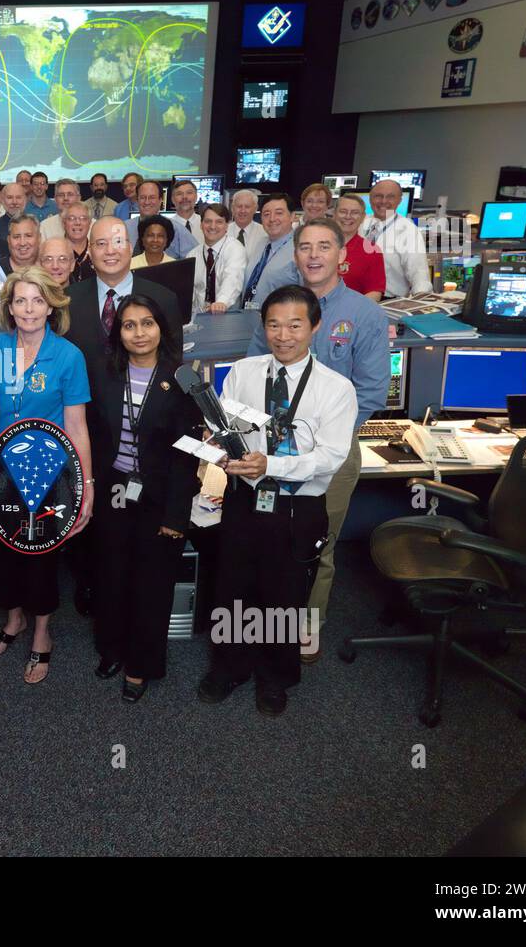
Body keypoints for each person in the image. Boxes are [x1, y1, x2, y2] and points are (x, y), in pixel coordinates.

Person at [197, 285, 356, 717]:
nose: (283, 335)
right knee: (232, 586)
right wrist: (217, 441)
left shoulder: (336, 389)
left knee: (283, 594)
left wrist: (270, 465)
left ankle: (274, 675)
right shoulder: (243, 372)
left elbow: (330, 458)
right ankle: (230, 666)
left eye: (294, 325)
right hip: (244, 499)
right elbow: (226, 425)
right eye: (273, 325)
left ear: (315, 327)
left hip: (297, 507)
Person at [246, 218, 389, 655]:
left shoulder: (364, 314)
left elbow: (371, 392)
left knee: (318, 544)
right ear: (295, 255)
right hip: (271, 453)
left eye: (324, 246)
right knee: (266, 537)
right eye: (304, 246)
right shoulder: (277, 306)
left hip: (333, 454)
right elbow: (255, 372)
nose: (313, 255)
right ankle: (263, 621)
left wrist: (322, 445)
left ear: (342, 256)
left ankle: (307, 624)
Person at [88, 293, 202, 702]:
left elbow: (189, 455)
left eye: (147, 323)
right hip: (114, 490)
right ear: (117, 332)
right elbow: (94, 437)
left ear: (161, 328)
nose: (139, 333)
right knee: (112, 576)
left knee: (151, 584)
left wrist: (176, 515)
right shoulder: (103, 374)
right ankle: (112, 648)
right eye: (129, 325)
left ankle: (141, 663)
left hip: (161, 495)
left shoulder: (184, 379)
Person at [0, 267, 94, 683]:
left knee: (40, 557)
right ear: (9, 308)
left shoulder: (69, 356)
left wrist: (87, 487)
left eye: (37, 300)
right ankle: (14, 620)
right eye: (20, 301)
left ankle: (42, 633)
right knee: (2, 555)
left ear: (51, 306)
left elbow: (77, 426)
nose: (29, 309)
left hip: (49, 474)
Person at [65, 217, 183, 377]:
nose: (110, 250)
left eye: (118, 242)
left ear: (130, 247)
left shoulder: (164, 299)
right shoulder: (68, 301)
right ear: (90, 252)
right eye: (101, 244)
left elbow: (172, 364)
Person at [364, 180, 432, 297]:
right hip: (353, 296)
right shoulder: (358, 224)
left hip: (387, 301)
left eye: (391, 197)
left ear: (399, 200)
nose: (383, 201)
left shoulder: (409, 230)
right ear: (370, 198)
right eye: (378, 196)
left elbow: (419, 274)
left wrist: (421, 303)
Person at [184, 203, 246, 313]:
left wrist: (221, 302)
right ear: (201, 225)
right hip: (200, 317)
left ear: (227, 225)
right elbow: (189, 292)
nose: (212, 226)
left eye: (219, 222)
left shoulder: (234, 248)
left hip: (227, 316)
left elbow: (232, 278)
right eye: (208, 221)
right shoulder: (192, 255)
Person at [242, 192, 297, 307]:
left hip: (280, 321)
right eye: (266, 214)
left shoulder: (301, 249)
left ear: (292, 216)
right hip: (248, 317)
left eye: (279, 213)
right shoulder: (261, 243)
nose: (272, 219)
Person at [334, 193, 385, 301]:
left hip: (351, 314)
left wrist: (352, 311)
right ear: (334, 214)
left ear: (362, 217)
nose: (348, 216)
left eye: (355, 213)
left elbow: (375, 293)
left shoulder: (372, 251)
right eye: (343, 211)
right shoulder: (318, 245)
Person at [167, 180, 204, 258]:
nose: (184, 197)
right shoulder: (167, 226)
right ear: (173, 199)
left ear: (196, 197)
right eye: (179, 194)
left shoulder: (207, 224)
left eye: (189, 193)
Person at [61, 202, 96, 282]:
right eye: (72, 218)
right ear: (64, 223)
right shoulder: (54, 252)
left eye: (83, 218)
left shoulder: (98, 251)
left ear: (90, 223)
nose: (77, 223)